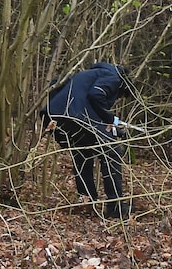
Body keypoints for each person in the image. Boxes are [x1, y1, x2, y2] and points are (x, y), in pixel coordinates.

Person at [43, 62, 132, 219]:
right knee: (111, 151)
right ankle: (115, 205)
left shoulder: (88, 75)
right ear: (123, 86)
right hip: (77, 115)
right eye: (119, 96)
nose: (117, 99)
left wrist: (112, 124)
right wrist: (112, 120)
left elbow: (56, 85)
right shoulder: (115, 77)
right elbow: (96, 96)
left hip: (56, 116)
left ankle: (87, 201)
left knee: (83, 153)